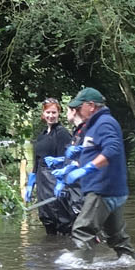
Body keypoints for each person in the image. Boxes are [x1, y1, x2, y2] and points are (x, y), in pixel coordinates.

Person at [62, 87, 135, 259]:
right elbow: (95, 150)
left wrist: (87, 169)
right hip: (110, 188)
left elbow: (112, 150)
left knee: (82, 230)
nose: (77, 111)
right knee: (117, 238)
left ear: (91, 106)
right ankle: (130, 266)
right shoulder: (95, 124)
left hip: (103, 188)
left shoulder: (104, 122)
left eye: (79, 107)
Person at [29, 97, 76, 235]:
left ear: (58, 113)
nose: (51, 115)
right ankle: (49, 252)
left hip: (56, 180)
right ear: (43, 114)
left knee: (62, 220)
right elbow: (37, 160)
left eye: (54, 112)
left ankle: (67, 250)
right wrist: (30, 183)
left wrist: (61, 181)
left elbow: (69, 159)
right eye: (48, 112)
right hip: (42, 183)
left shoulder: (62, 133)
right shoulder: (41, 136)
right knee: (47, 218)